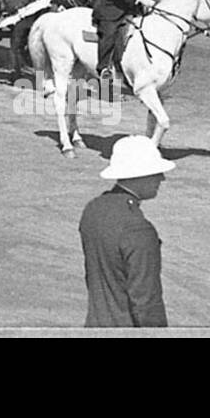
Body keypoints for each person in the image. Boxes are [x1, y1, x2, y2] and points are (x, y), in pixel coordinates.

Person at [78, 135, 175, 327]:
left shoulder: (93, 209)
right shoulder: (138, 229)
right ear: (139, 175)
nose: (162, 178)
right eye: (156, 173)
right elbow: (146, 302)